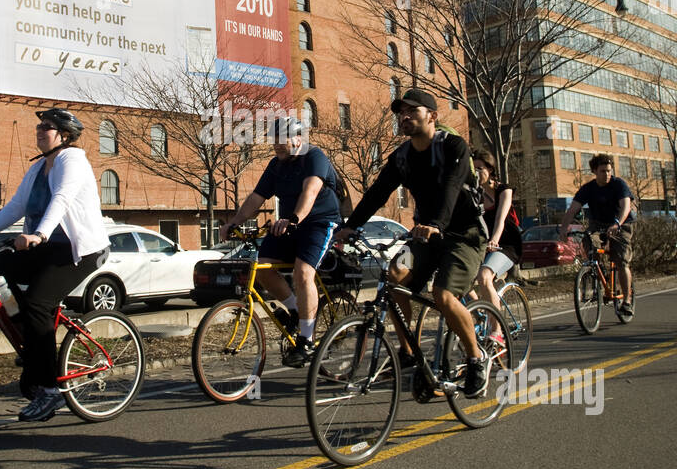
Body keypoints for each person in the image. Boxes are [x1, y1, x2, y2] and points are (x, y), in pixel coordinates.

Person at [333, 89, 491, 396]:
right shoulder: (402, 157)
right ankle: (410, 354)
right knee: (393, 280)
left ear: (432, 116)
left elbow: (451, 186)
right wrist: (348, 228)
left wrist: (436, 224)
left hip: (464, 236)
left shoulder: (454, 147)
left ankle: (476, 357)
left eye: (412, 111)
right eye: (400, 113)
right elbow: (377, 194)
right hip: (426, 236)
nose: (404, 117)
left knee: (443, 296)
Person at [0, 108, 111, 422]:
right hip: (47, 248)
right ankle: (33, 341)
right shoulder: (37, 169)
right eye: (39, 125)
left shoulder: (71, 160)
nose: (39, 130)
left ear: (64, 135)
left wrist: (39, 234)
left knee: (38, 301)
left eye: (47, 127)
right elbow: (17, 205)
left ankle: (48, 392)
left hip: (79, 251)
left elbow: (62, 198)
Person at [219, 115, 341, 366]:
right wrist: (234, 223)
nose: (275, 144)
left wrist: (294, 218)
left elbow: (311, 191)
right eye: (272, 140)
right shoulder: (276, 165)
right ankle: (297, 311)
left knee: (303, 272)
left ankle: (306, 339)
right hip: (288, 225)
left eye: (280, 139)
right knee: (263, 267)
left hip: (318, 222)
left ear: (298, 139)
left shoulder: (314, 157)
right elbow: (256, 198)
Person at [557, 153, 636, 318]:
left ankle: (627, 301)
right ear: (594, 171)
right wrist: (564, 228)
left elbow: (625, 207)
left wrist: (617, 224)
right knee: (589, 245)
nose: (607, 174)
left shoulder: (619, 184)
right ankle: (596, 275)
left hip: (621, 223)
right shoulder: (588, 188)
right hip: (598, 224)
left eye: (608, 170)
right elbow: (572, 209)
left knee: (621, 260)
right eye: (602, 171)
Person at [472, 150, 522, 336]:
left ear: (490, 169)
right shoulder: (472, 193)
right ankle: (480, 318)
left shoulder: (504, 190)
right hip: (482, 245)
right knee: (458, 283)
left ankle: (497, 331)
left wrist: (494, 239)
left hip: (506, 244)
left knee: (484, 276)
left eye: (480, 169)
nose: (476, 173)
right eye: (473, 169)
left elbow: (500, 219)